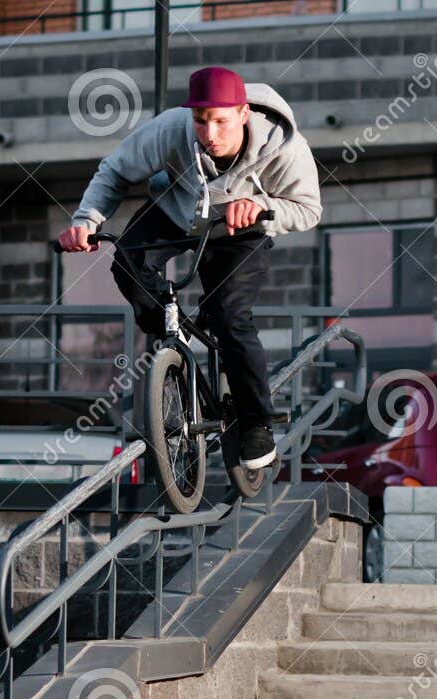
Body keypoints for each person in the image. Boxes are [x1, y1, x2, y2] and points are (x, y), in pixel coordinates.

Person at [56, 66, 322, 470]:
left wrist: (264, 208)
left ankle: (256, 424)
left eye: (221, 121)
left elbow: (309, 209)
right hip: (177, 210)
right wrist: (86, 222)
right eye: (201, 121)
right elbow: (114, 171)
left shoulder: (283, 146)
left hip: (240, 227)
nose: (210, 134)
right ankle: (169, 331)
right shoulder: (171, 130)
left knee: (230, 316)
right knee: (127, 263)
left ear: (243, 113)